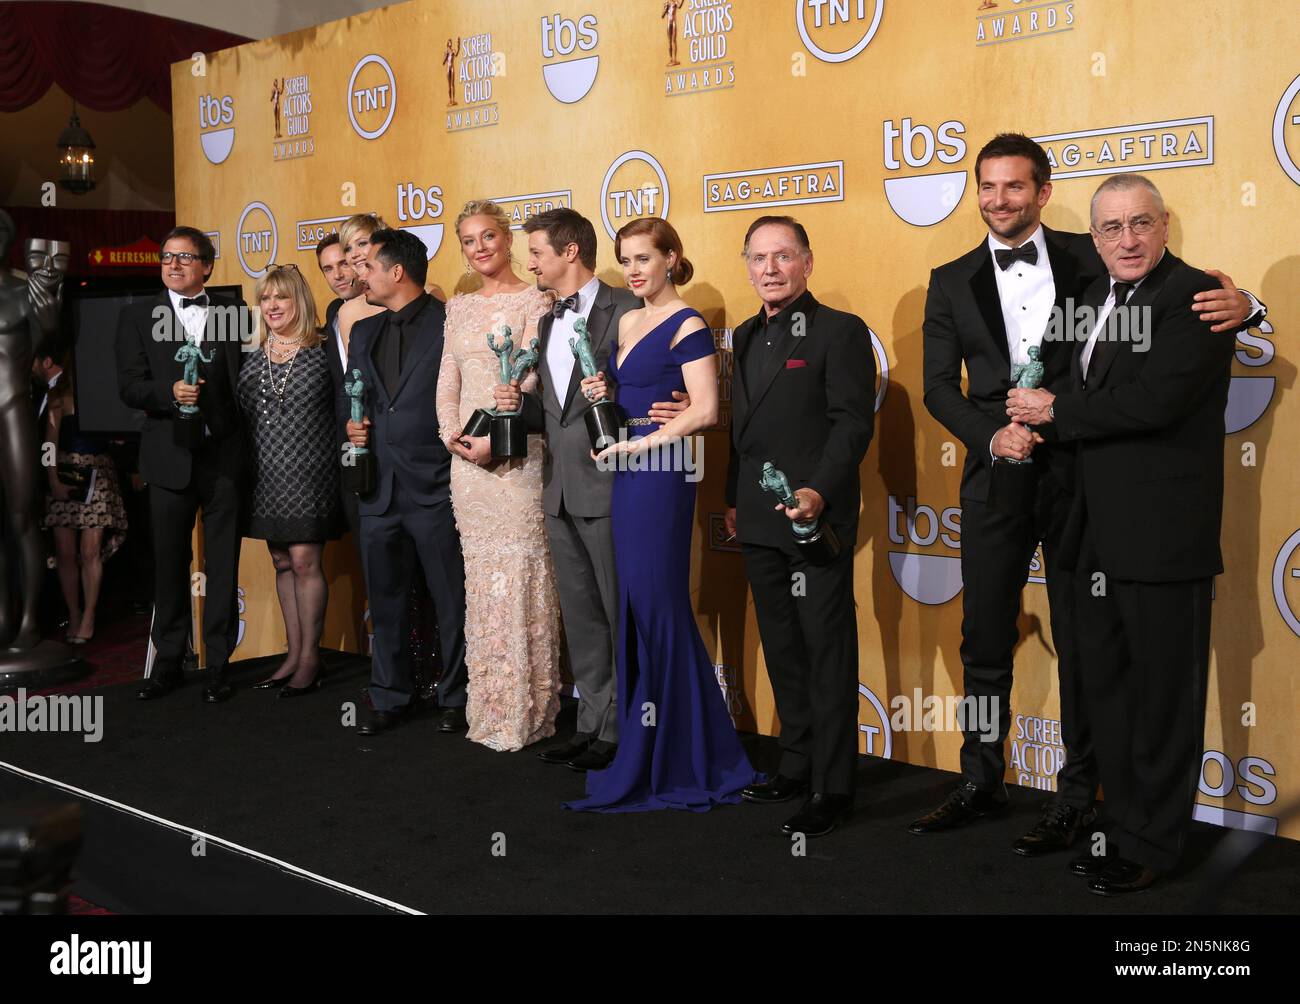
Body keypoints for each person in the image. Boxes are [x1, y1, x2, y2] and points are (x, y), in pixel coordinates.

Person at [913, 134, 1261, 851]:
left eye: (1016, 186)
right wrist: (989, 437)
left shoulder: (1093, 254)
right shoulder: (949, 280)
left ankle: (1079, 796)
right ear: (975, 192)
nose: (1000, 199)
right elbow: (940, 386)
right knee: (984, 639)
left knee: (1086, 645)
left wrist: (1251, 304)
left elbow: (1184, 308)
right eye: (989, 186)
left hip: (1086, 481)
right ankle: (981, 776)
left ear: (1042, 192)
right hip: (997, 480)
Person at [1006, 174, 1234, 896]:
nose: (1127, 240)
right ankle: (1121, 828)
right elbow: (1070, 379)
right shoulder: (1084, 297)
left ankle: (1156, 845)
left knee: (1162, 697)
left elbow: (1156, 402)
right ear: (1094, 236)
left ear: (1164, 225)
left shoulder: (1195, 297)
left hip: (1162, 535)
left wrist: (1054, 411)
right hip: (1084, 532)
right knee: (1106, 691)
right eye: (1112, 228)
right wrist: (1024, 408)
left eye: (1140, 224)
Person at [561, 217, 755, 811]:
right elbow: (635, 402)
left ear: (672, 258)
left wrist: (643, 441)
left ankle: (693, 754)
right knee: (638, 610)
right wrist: (607, 400)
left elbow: (705, 409)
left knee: (659, 606)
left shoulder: (687, 322)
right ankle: (652, 745)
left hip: (663, 475)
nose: (635, 271)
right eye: (627, 261)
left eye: (645, 258)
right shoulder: (625, 319)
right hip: (627, 472)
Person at [724, 216, 875, 838]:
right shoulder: (740, 333)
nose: (769, 269)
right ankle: (795, 762)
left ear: (807, 262)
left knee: (825, 652)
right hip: (757, 520)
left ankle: (833, 785)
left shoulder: (840, 332)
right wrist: (735, 497)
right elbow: (744, 428)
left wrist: (818, 490)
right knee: (784, 650)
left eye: (782, 256)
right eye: (758, 258)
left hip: (814, 518)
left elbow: (852, 425)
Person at [496, 209, 636, 772]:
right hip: (556, 489)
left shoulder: (627, 310)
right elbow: (556, 411)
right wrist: (518, 408)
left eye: (536, 252)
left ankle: (627, 729)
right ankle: (592, 723)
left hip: (613, 486)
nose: (528, 262)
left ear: (570, 251)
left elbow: (642, 397)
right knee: (581, 616)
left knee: (618, 612)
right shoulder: (549, 321)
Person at [435, 200, 561, 751]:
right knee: (482, 586)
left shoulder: (539, 300)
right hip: (469, 471)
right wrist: (454, 439)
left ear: (508, 240)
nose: (479, 247)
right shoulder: (457, 308)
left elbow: (536, 381)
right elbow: (448, 381)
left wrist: (498, 439)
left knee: (524, 581)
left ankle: (528, 712)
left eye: (488, 236)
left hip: (520, 460)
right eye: (468, 240)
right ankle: (487, 710)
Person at [343, 228, 468, 735]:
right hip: (379, 487)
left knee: (451, 597)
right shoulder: (364, 332)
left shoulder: (450, 324)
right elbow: (363, 400)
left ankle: (456, 696)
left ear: (397, 272)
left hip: (435, 482)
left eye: (368, 266)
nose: (360, 273)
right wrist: (354, 427)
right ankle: (389, 695)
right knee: (387, 599)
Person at [115, 226, 246, 702]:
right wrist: (168, 393)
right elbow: (129, 385)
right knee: (170, 563)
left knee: (223, 563)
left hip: (222, 459)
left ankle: (219, 662)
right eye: (167, 257)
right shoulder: (137, 315)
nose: (173, 264)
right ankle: (169, 660)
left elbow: (241, 386)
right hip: (167, 457)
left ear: (207, 266)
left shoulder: (233, 312)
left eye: (185, 258)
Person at [236, 263, 340, 696]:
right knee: (281, 561)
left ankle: (311, 657)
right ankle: (293, 652)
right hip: (266, 474)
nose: (273, 305)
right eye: (266, 298)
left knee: (303, 561)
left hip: (311, 471)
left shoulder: (324, 350)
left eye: (282, 297)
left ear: (299, 300)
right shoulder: (252, 356)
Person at [41, 341, 128, 644]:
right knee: (65, 553)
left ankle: (89, 615)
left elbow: (121, 434)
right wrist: (52, 480)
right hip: (63, 475)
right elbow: (47, 444)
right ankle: (74, 614)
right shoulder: (57, 397)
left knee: (89, 551)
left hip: (98, 475)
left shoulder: (105, 394)